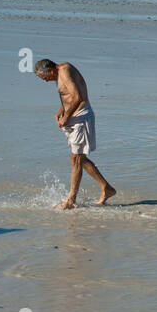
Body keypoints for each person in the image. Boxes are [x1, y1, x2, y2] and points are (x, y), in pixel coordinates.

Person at [34, 59, 116, 209]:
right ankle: (106, 188)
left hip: (81, 116)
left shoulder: (64, 71)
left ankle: (70, 201)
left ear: (50, 70)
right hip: (73, 117)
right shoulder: (59, 73)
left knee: (76, 158)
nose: (46, 81)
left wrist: (66, 117)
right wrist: (61, 111)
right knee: (79, 158)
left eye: (45, 78)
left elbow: (78, 97)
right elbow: (68, 95)